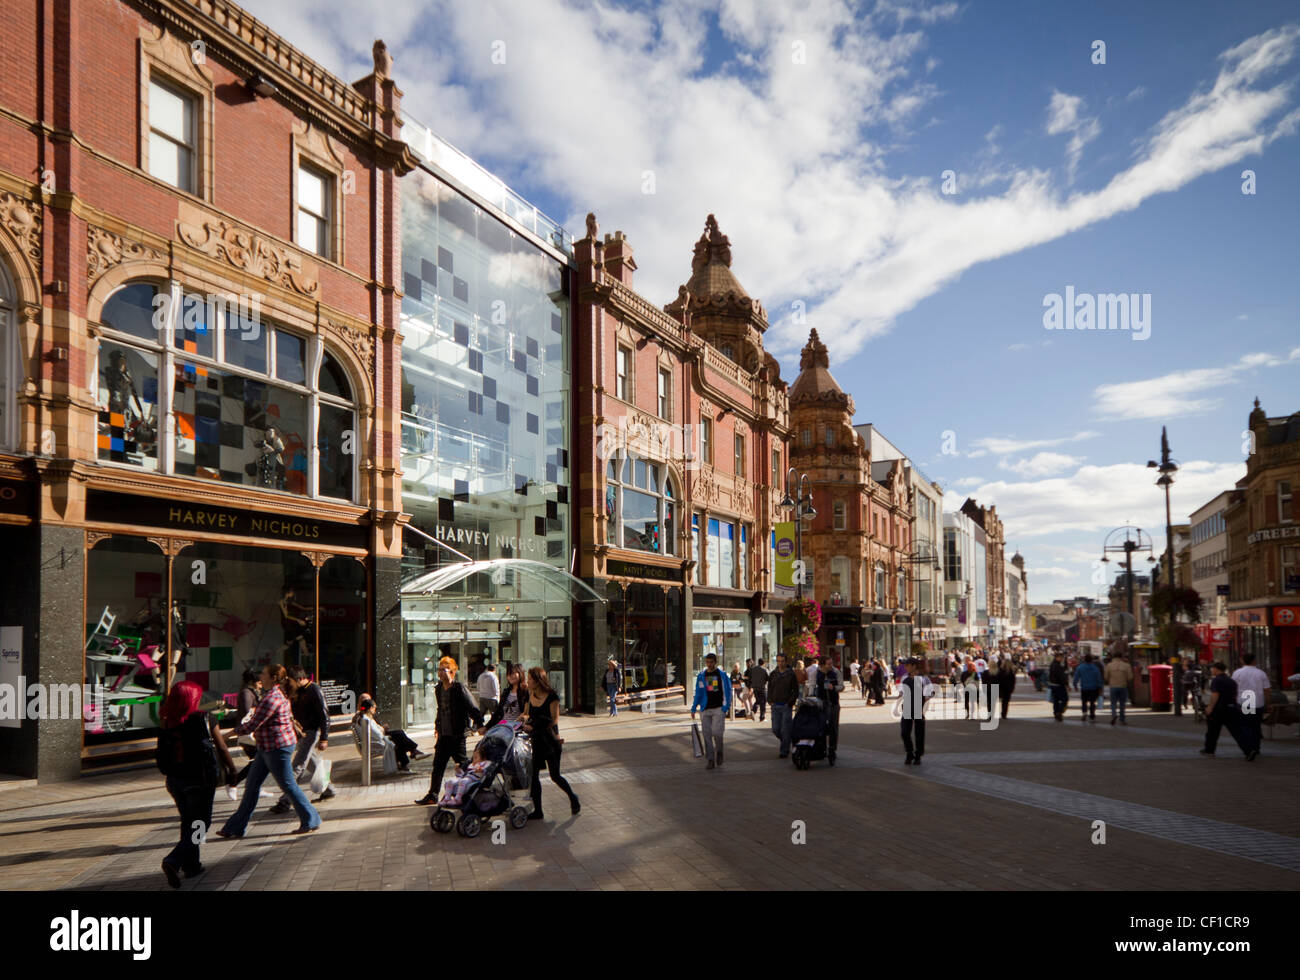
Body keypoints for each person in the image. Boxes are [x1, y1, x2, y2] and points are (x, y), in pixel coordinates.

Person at [216, 664, 321, 838]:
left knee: (288, 785)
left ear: (273, 678)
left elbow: (253, 723)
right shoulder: (273, 695)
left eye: (263, 674)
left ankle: (311, 819)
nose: (260, 676)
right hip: (267, 747)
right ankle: (234, 827)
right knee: (251, 786)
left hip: (277, 748)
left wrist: (226, 736)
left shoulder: (272, 698)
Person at [157, 680, 235, 887]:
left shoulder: (166, 721)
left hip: (175, 781)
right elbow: (221, 747)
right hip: (199, 780)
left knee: (188, 821)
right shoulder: (204, 718)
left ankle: (192, 864)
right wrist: (232, 770)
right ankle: (174, 860)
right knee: (202, 824)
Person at [415, 657, 485, 805]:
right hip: (443, 735)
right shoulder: (439, 688)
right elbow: (441, 710)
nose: (440, 673)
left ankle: (470, 791)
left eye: (444, 670)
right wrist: (437, 726)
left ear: (452, 673)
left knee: (463, 764)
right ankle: (433, 795)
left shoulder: (459, 688)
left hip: (457, 734)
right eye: (439, 670)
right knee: (438, 766)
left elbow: (471, 706)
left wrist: (479, 723)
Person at [270, 665, 332, 812]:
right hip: (302, 732)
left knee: (297, 766)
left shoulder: (314, 690)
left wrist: (324, 738)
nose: (288, 685)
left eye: (290, 681)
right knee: (312, 763)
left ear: (299, 679)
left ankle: (285, 800)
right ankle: (329, 789)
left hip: (312, 731)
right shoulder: (296, 691)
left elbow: (324, 715)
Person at [521, 667, 581, 818]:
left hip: (550, 742)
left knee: (555, 776)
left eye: (530, 679)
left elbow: (554, 720)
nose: (527, 682)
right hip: (536, 741)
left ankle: (573, 798)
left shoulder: (552, 696)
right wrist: (522, 719)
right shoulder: (530, 694)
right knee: (533, 776)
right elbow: (527, 713)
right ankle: (538, 811)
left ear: (537, 680)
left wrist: (534, 725)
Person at [352, 694, 426, 771]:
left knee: (399, 736)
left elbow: (376, 729)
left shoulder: (363, 717)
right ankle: (413, 752)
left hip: (374, 739)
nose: (375, 710)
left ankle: (411, 754)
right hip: (376, 741)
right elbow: (378, 734)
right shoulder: (366, 720)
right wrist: (382, 729)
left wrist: (381, 729)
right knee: (399, 736)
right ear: (370, 708)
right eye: (375, 708)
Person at [1200, 662, 1255, 760]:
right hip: (1231, 708)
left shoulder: (1216, 680)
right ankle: (1249, 750)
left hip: (1219, 710)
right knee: (1237, 732)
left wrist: (1210, 707)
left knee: (1213, 731)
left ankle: (1209, 750)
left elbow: (1215, 695)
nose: (1211, 670)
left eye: (1212, 668)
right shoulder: (1231, 681)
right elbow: (1235, 695)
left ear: (1216, 669)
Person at [691, 652, 732, 769]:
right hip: (705, 710)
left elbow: (728, 691)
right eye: (707, 662)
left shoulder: (722, 675)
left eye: (711, 662)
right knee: (707, 735)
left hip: (718, 708)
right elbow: (698, 693)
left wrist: (725, 707)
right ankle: (710, 759)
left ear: (715, 662)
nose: (709, 664)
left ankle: (719, 751)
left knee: (717, 733)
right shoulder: (701, 676)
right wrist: (694, 708)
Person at [1232, 652, 1271, 754]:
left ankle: (1249, 747)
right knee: (1256, 725)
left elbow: (1233, 688)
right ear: (1254, 661)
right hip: (1258, 701)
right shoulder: (1261, 673)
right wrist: (1268, 703)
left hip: (1244, 701)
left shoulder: (1237, 673)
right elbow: (1266, 689)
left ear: (1243, 661)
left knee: (1245, 725)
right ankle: (1256, 747)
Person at [899, 658, 934, 765]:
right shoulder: (905, 677)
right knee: (904, 732)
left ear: (914, 666)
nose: (905, 667)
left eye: (907, 665)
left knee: (919, 733)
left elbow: (931, 692)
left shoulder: (923, 678)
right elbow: (901, 691)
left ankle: (918, 755)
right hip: (907, 708)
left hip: (919, 708)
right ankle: (909, 752)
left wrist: (926, 699)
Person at [767, 653, 799, 759]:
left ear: (786, 662)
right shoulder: (773, 674)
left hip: (786, 705)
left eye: (782, 661)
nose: (780, 663)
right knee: (776, 729)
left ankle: (784, 750)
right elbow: (770, 687)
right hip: (775, 705)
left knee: (785, 729)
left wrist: (790, 702)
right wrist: (770, 699)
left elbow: (795, 689)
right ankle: (787, 740)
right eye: (778, 661)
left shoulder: (791, 674)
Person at [814, 654, 844, 763]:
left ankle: (832, 749)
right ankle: (821, 748)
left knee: (833, 728)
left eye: (832, 663)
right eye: (829, 664)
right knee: (820, 726)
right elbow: (812, 685)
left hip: (833, 703)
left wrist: (834, 687)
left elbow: (842, 686)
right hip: (821, 703)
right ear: (822, 665)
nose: (831, 665)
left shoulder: (836, 672)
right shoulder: (816, 673)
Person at [485, 663, 530, 728]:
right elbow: (498, 712)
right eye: (508, 674)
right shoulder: (506, 691)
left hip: (517, 726)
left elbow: (527, 713)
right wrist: (486, 727)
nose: (510, 676)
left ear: (520, 673)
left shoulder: (526, 691)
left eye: (513, 673)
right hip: (504, 724)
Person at [278, 586, 311, 664]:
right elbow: (286, 615)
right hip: (288, 624)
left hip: (292, 624)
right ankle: (308, 657)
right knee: (299, 639)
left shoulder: (290, 602)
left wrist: (318, 608)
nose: (293, 594)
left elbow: (303, 608)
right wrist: (298, 620)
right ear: (287, 593)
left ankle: (275, 652)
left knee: (290, 643)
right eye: (292, 592)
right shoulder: (281, 602)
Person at [1104, 652, 1134, 725]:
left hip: (1113, 686)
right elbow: (1130, 677)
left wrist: (1110, 680)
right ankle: (1122, 719)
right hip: (1123, 686)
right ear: (1121, 657)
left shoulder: (1109, 665)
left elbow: (1105, 677)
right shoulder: (1126, 665)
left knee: (1113, 703)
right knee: (1122, 704)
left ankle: (1114, 715)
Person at [1074, 653, 1103, 723]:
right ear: (1091, 660)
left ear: (1084, 659)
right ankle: (1092, 715)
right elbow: (1099, 678)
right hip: (1094, 687)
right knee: (1092, 702)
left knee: (1084, 701)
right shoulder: (1095, 668)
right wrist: (1100, 687)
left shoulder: (1080, 667)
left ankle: (1084, 712)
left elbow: (1076, 676)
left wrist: (1075, 685)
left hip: (1084, 687)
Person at [1048, 650, 1069, 722]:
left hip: (1053, 685)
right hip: (1059, 685)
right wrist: (1066, 684)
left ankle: (1056, 712)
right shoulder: (1058, 666)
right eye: (1061, 657)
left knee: (1056, 700)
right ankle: (1060, 712)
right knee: (1065, 699)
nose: (1062, 659)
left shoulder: (1053, 664)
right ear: (1057, 657)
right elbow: (1061, 676)